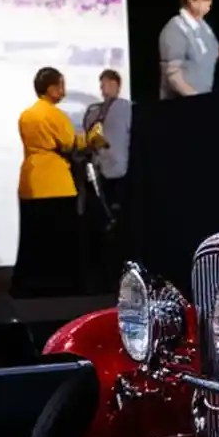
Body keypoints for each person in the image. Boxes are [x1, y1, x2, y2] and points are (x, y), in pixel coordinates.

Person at [13, 66, 107, 298]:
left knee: (33, 239)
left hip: (30, 179)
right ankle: (59, 286)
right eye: (61, 85)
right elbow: (69, 144)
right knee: (59, 239)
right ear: (52, 88)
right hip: (55, 182)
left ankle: (28, 285)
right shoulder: (54, 115)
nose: (63, 90)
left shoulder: (27, 114)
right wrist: (94, 137)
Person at [82, 69, 131, 286]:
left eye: (106, 84)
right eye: (101, 84)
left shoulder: (126, 109)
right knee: (98, 221)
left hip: (120, 171)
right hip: (98, 173)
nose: (103, 88)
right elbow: (88, 135)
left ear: (116, 85)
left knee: (118, 220)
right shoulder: (94, 112)